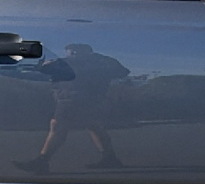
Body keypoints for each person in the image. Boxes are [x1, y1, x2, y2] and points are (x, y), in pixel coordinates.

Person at [15, 44, 129, 173]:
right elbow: (42, 69)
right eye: (71, 51)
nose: (74, 53)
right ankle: (110, 158)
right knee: (93, 124)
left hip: (73, 99)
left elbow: (122, 72)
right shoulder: (67, 62)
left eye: (77, 50)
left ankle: (42, 161)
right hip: (84, 98)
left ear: (88, 51)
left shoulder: (100, 61)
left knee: (58, 125)